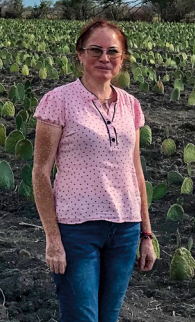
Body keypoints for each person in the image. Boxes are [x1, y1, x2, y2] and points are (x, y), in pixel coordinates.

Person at [31, 19, 156, 322]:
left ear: (122, 59)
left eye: (113, 51)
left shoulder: (131, 105)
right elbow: (40, 172)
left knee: (108, 317)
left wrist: (146, 233)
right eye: (95, 50)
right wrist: (53, 238)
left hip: (125, 227)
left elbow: (135, 169)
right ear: (80, 55)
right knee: (81, 317)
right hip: (77, 228)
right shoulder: (58, 101)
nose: (104, 58)